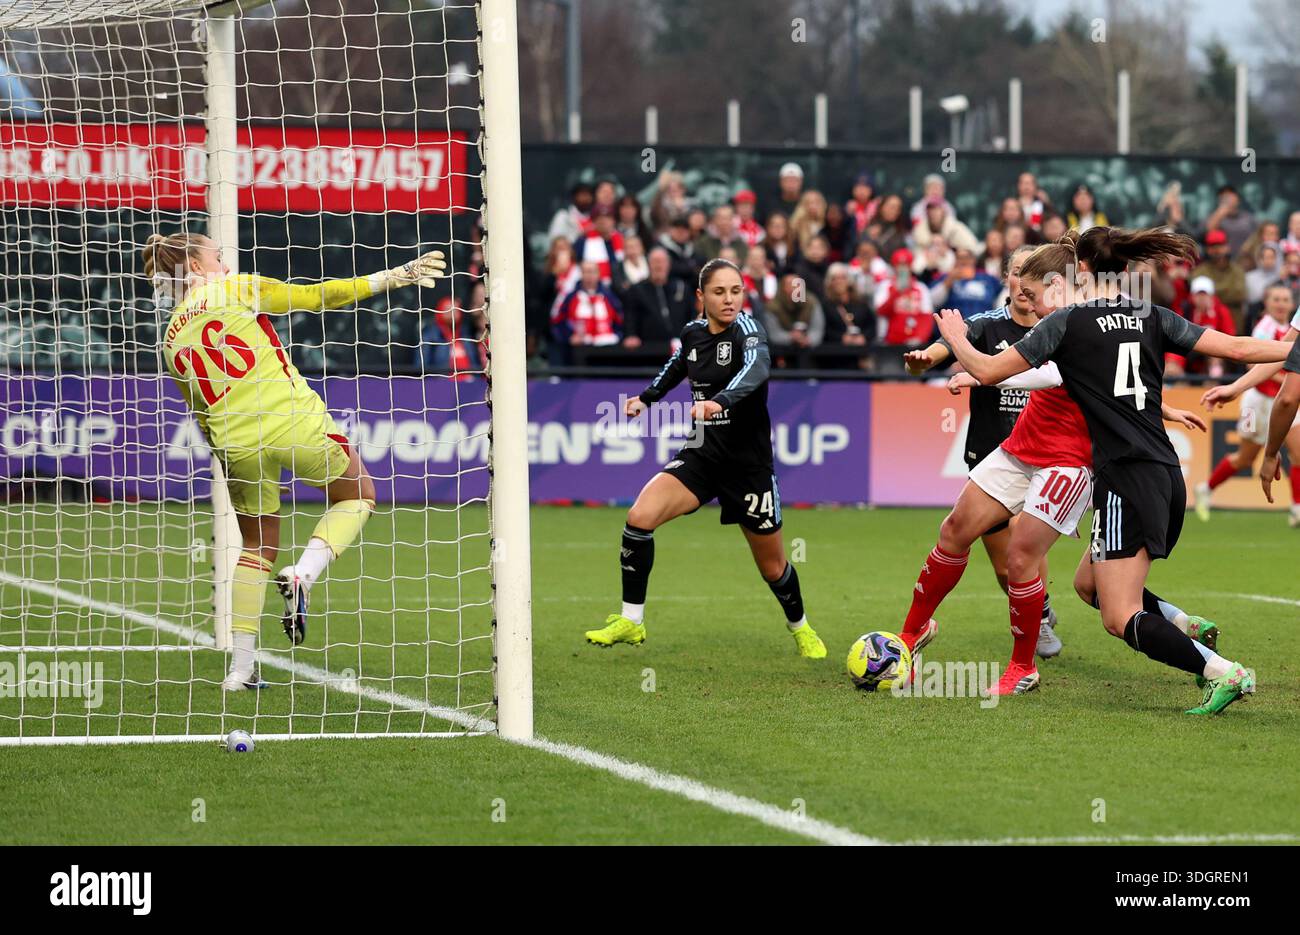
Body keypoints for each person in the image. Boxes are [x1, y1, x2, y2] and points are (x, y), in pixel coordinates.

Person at [936, 225, 1295, 714]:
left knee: (1118, 614)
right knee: (1088, 585)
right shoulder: (1152, 315)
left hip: (1126, 477)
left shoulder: (1067, 323)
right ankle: (1184, 625)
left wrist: (957, 338)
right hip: (1163, 472)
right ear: (1124, 268)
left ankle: (1221, 671)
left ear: (1081, 270)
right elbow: (1237, 348)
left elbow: (986, 371)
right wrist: (1293, 351)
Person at [144, 231, 447, 691]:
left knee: (255, 547)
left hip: (235, 445)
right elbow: (318, 296)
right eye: (218, 256)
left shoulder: (170, 339)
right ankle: (304, 574)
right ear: (198, 267)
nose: (226, 263)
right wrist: (393, 277)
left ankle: (240, 671)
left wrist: (231, 461)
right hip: (290, 421)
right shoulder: (235, 288)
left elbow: (201, 414)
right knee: (359, 495)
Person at [584, 258, 826, 659]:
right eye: (719, 292)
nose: (729, 299)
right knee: (639, 518)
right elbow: (677, 364)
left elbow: (758, 369)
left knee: (773, 567)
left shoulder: (749, 330)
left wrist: (720, 401)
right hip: (702, 453)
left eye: (736, 291)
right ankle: (632, 620)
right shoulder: (693, 333)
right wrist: (646, 398)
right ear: (701, 296)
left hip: (748, 467)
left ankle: (800, 627)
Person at [1198, 283, 1300, 525]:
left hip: (1283, 399)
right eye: (1276, 299)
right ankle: (1206, 488)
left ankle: (1296, 507)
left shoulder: (1289, 328)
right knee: (1245, 458)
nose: (1281, 304)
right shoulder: (1265, 327)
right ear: (1266, 303)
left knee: (1298, 453)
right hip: (1256, 403)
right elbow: (1254, 362)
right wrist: (1238, 387)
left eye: (1285, 299)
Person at [551, 260, 624, 359]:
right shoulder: (571, 297)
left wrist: (617, 335)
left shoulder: (609, 297)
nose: (589, 275)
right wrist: (569, 337)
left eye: (592, 271)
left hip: (607, 348)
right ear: (581, 274)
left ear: (598, 274)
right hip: (580, 350)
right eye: (586, 272)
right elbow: (559, 321)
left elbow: (620, 319)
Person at [622, 247, 693, 348]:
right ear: (648, 264)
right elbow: (630, 316)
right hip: (649, 347)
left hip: (681, 346)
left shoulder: (681, 287)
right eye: (655, 261)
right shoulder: (636, 290)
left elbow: (691, 314)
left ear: (669, 264)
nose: (658, 265)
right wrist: (631, 335)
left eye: (662, 261)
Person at [1190, 229, 1247, 330]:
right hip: (1207, 327)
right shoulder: (1199, 271)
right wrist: (1227, 289)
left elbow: (1240, 294)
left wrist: (1211, 293)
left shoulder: (1237, 270)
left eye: (1220, 246)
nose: (1216, 250)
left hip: (1235, 325)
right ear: (1207, 249)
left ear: (1227, 247)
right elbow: (1195, 297)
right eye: (1212, 246)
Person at [875, 248, 933, 346]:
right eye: (899, 265)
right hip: (889, 342)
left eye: (906, 265)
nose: (902, 269)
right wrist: (896, 292)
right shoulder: (885, 286)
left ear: (911, 266)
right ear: (894, 266)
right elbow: (881, 311)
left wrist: (920, 338)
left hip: (914, 343)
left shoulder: (920, 288)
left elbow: (927, 317)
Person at [930, 247, 1001, 319]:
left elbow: (1000, 300)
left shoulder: (988, 278)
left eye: (967, 257)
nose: (963, 261)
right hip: (956, 321)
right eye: (959, 258)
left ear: (973, 260)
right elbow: (933, 301)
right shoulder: (945, 277)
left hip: (983, 321)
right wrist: (949, 280)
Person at [1202, 184, 1256, 258]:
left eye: (1230, 197)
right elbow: (1209, 231)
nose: (1228, 200)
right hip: (1223, 260)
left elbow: (1256, 238)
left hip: (1245, 259)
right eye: (1224, 198)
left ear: (1238, 199)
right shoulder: (1215, 218)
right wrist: (1221, 212)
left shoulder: (1248, 218)